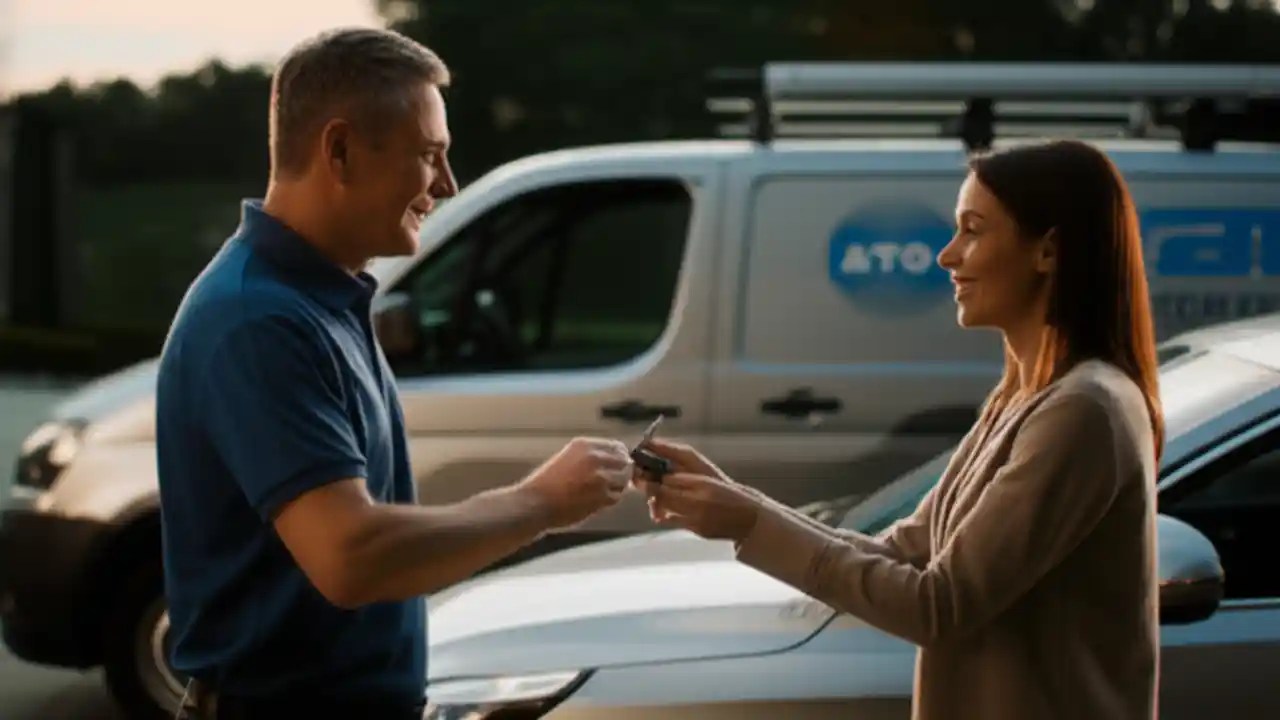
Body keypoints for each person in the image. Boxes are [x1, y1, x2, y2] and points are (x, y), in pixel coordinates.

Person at [155, 27, 634, 719]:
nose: (447, 183)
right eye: (429, 155)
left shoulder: (321, 296)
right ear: (340, 150)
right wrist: (543, 503)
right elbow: (353, 556)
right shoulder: (257, 321)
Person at [635, 139, 1165, 720]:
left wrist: (748, 522)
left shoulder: (1084, 409)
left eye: (972, 229)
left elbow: (937, 605)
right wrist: (738, 503)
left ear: (1049, 251)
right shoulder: (1024, 394)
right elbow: (904, 551)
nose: (947, 256)